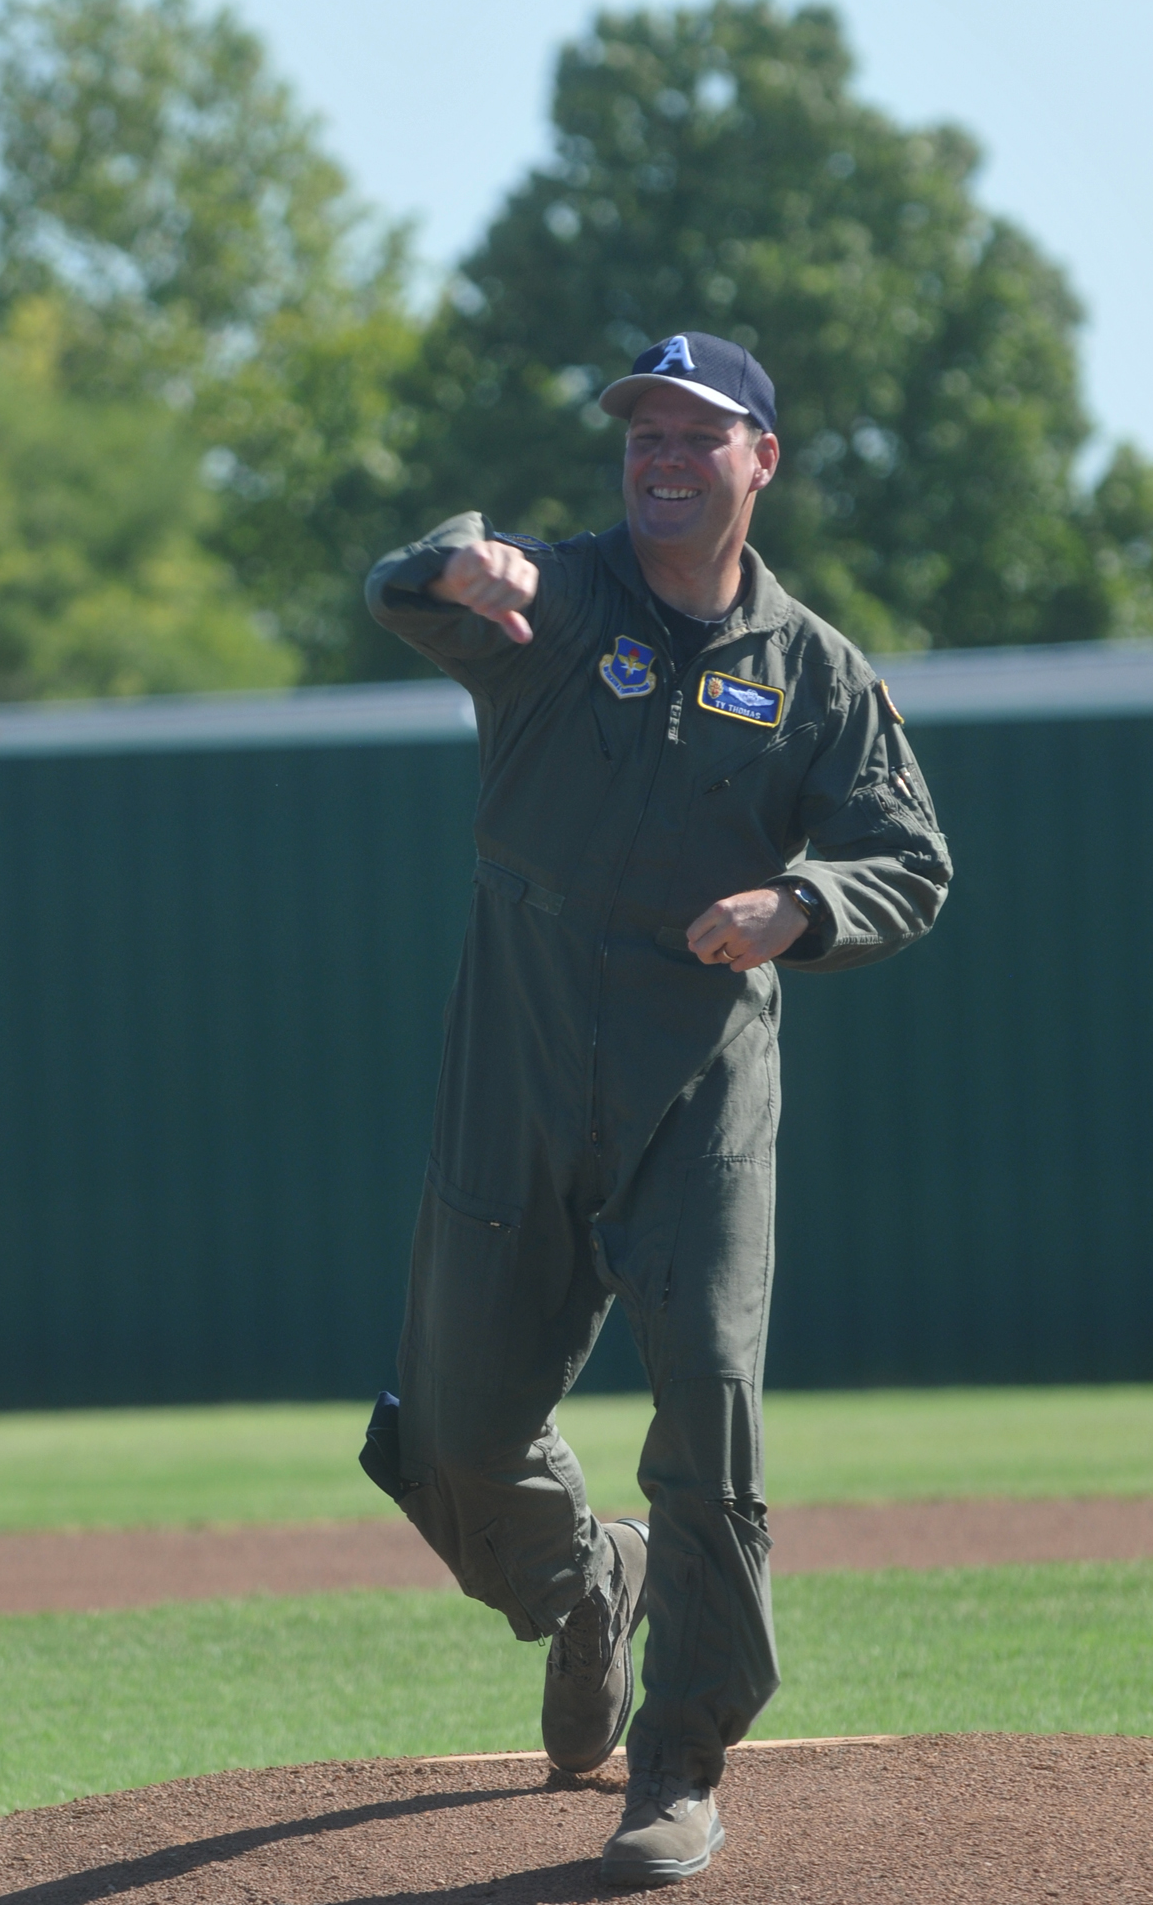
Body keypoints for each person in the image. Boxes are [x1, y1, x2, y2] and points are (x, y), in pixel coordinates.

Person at [359, 331, 951, 1887]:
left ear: (762, 458)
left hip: (703, 1092)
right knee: (459, 1437)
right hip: (522, 1063)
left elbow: (910, 858)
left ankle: (678, 1762)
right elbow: (404, 592)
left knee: (708, 1412)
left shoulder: (814, 670)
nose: (661, 456)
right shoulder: (547, 605)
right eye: (642, 432)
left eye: (698, 432)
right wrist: (445, 559)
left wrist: (801, 904)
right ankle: (587, 1586)